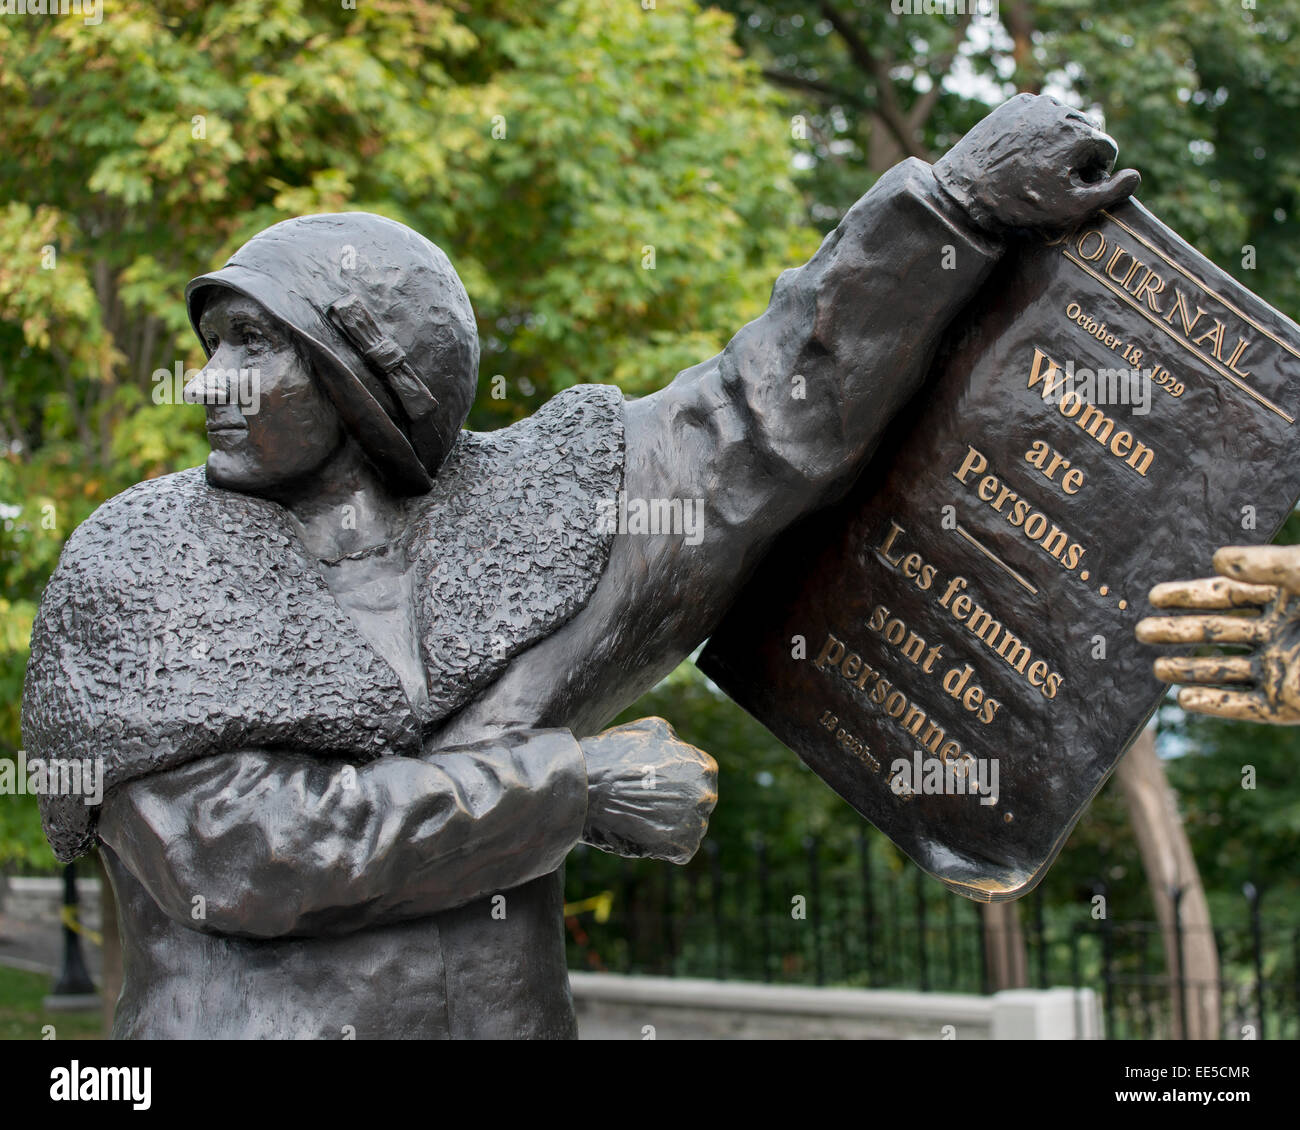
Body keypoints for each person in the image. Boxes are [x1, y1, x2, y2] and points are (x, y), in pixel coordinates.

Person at [22, 93, 1139, 1038]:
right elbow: (240, 849)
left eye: (258, 344)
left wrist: (952, 207)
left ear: (372, 378)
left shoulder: (544, 509)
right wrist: (572, 786)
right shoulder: (145, 562)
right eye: (213, 342)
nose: (213, 381)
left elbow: (765, 410)